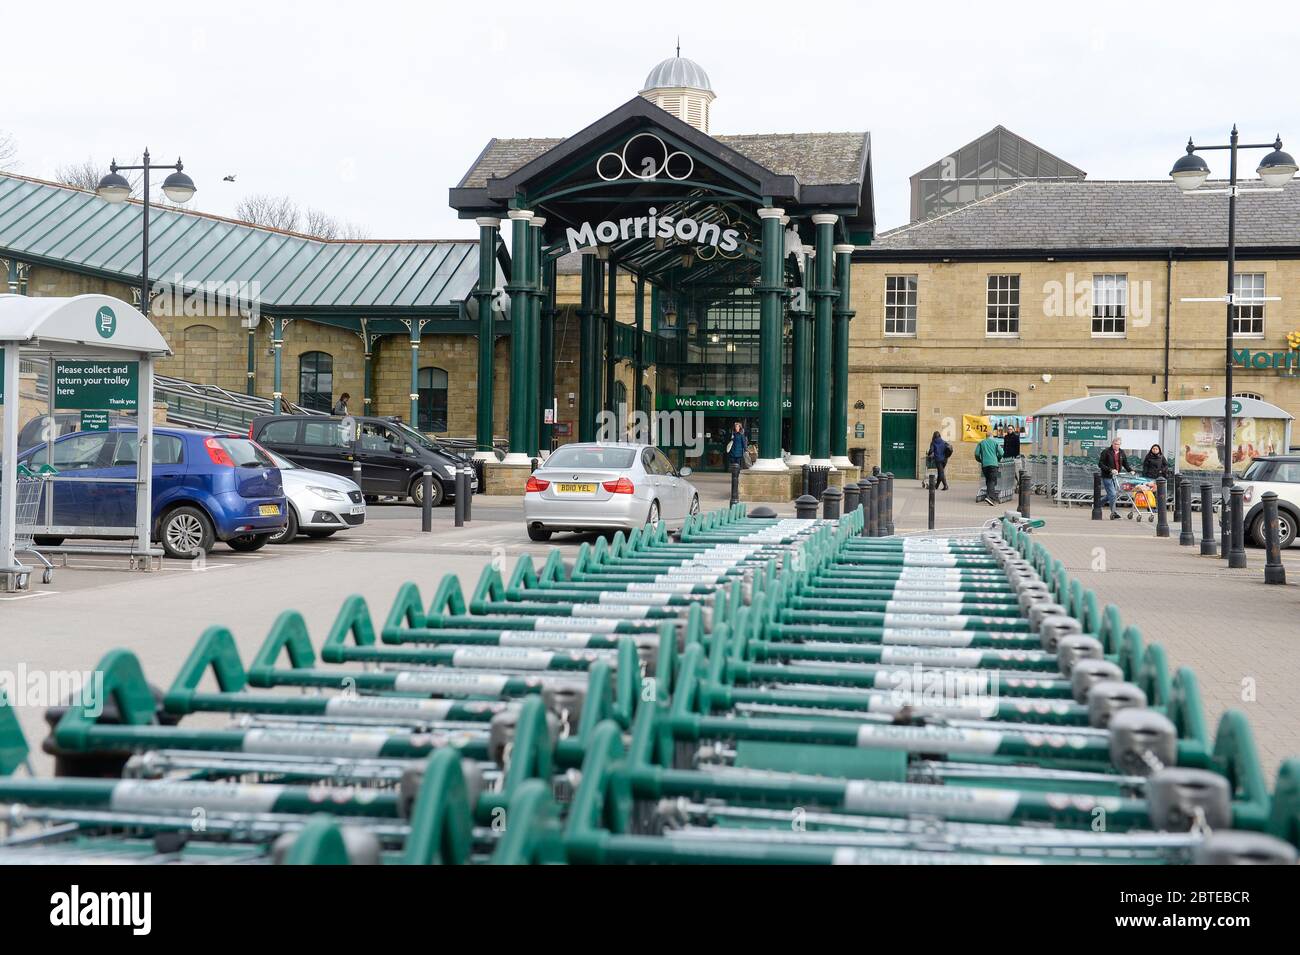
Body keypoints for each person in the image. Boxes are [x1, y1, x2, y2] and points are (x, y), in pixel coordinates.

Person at [1099, 437, 1132, 520]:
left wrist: (1131, 470)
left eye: (1118, 444)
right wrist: (1110, 470)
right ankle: (1113, 513)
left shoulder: (1121, 452)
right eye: (1115, 444)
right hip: (1107, 476)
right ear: (1112, 444)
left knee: (1112, 494)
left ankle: (1097, 504)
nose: (1117, 446)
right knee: (1113, 494)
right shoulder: (1106, 451)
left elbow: (1125, 463)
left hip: (1117, 477)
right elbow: (1100, 464)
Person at [974, 431, 1004, 505]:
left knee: (989, 480)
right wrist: (998, 459)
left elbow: (976, 454)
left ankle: (991, 497)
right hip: (994, 464)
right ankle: (990, 498)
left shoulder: (981, 443)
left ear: (986, 436)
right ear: (992, 436)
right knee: (992, 481)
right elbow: (1001, 453)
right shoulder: (995, 443)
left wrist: (980, 460)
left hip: (985, 465)